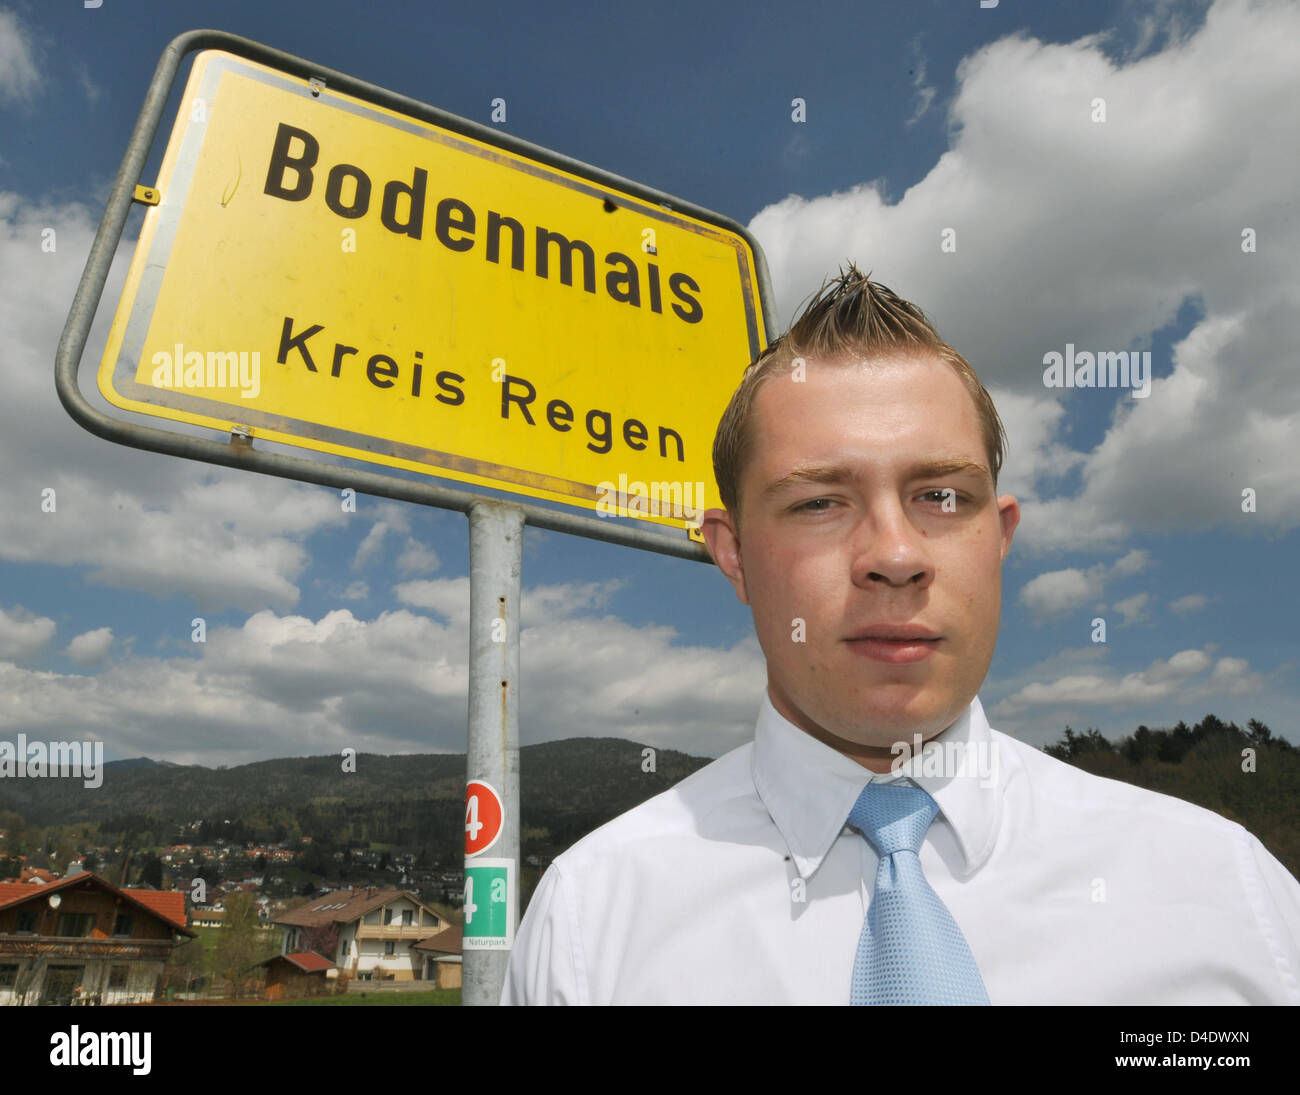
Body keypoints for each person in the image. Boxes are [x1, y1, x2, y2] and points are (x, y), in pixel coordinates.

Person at [499, 264, 1300, 1005]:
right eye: (819, 503)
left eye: (944, 497)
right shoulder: (590, 926)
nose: (894, 556)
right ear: (733, 554)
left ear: (999, 536)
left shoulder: (1233, 898)